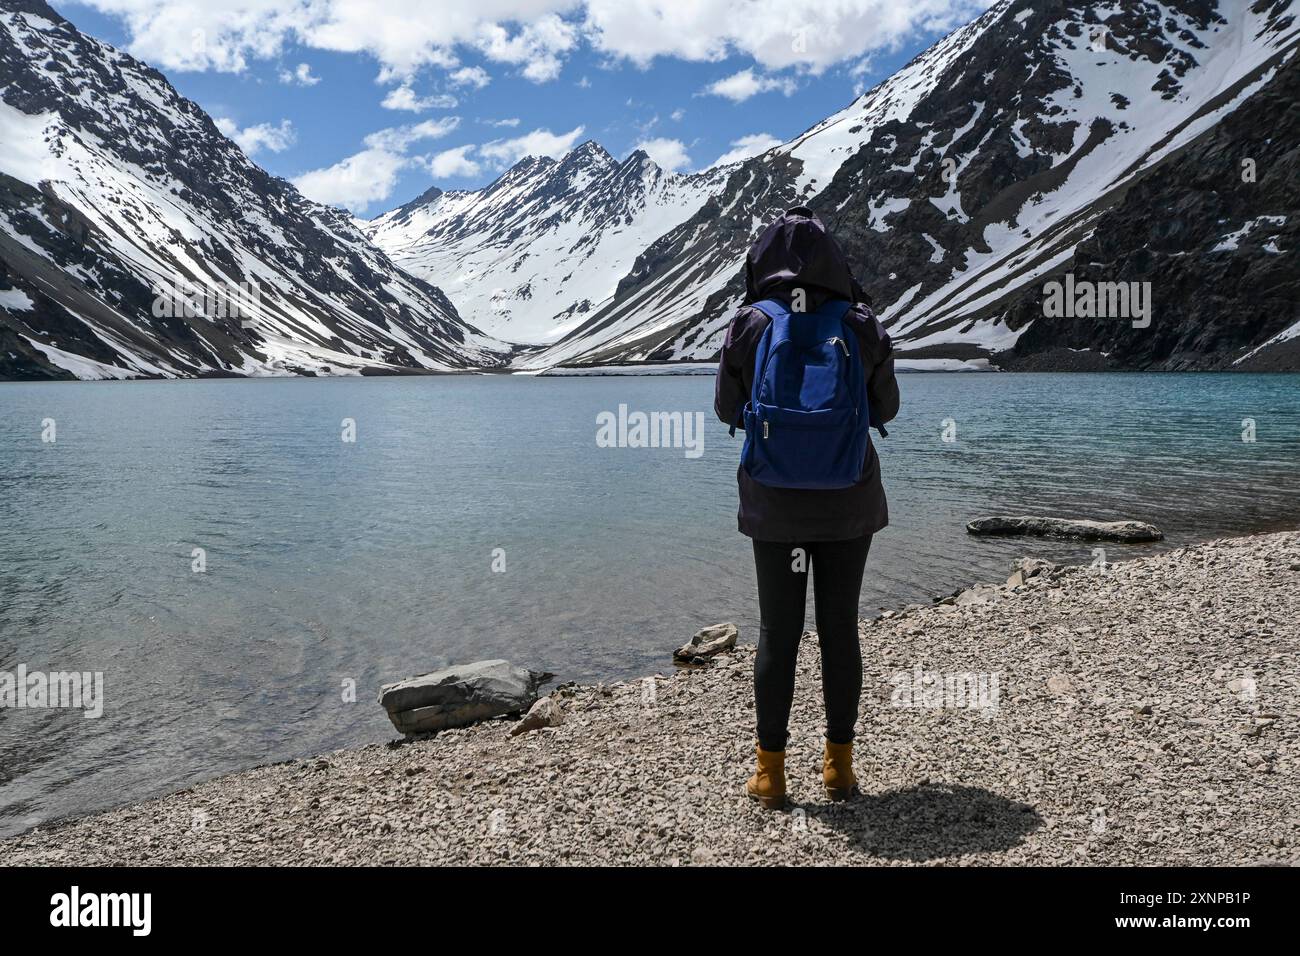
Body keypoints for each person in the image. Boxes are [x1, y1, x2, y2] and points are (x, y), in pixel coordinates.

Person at [714, 206, 900, 809]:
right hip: (847, 502)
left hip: (775, 505)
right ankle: (839, 770)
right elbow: (888, 409)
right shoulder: (859, 323)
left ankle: (771, 774)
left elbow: (725, 408)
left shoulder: (751, 323)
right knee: (840, 629)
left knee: (779, 632)